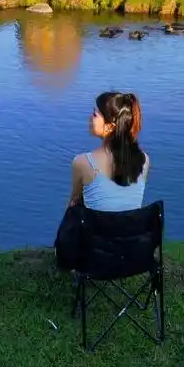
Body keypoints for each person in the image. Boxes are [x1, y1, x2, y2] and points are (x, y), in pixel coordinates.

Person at [55, 91, 150, 266]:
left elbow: (74, 203)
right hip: (132, 251)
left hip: (95, 255)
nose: (89, 118)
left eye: (95, 114)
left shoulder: (83, 162)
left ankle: (64, 256)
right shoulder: (143, 160)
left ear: (111, 125)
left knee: (74, 208)